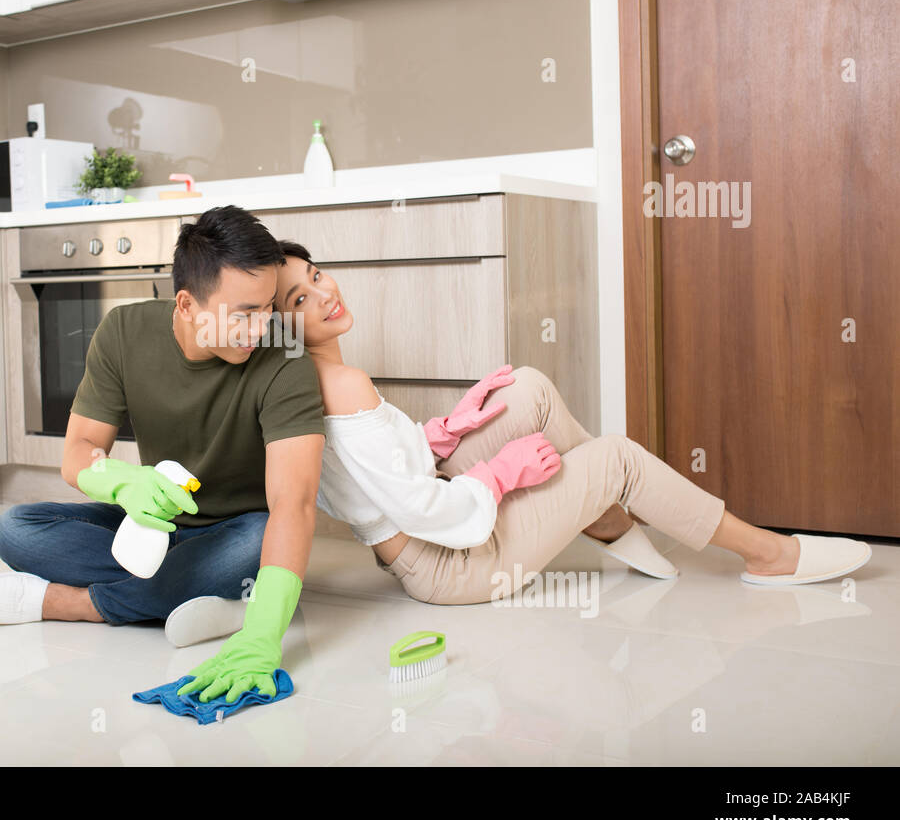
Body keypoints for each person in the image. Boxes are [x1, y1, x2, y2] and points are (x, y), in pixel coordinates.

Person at [267, 237, 872, 604]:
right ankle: (767, 555)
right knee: (616, 457)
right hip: (449, 567)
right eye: (300, 299)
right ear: (283, 325)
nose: (324, 295)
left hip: (431, 530)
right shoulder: (343, 385)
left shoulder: (307, 382)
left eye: (315, 275)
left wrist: (443, 430)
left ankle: (607, 519)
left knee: (525, 390)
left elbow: (370, 476)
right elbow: (416, 509)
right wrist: (503, 472)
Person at [0, 206, 326, 704]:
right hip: (155, 523)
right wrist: (122, 481)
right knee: (16, 530)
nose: (261, 327)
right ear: (186, 305)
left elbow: (296, 506)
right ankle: (208, 596)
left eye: (268, 306)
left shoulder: (286, 357)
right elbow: (78, 453)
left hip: (236, 534)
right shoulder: (123, 332)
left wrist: (264, 636)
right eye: (244, 312)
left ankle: (78, 604)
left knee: (258, 540)